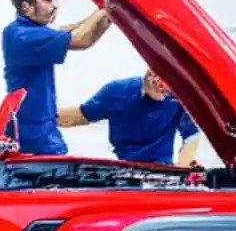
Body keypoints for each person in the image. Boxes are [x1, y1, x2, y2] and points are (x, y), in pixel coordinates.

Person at [1, 0, 112, 154]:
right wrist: (109, 6)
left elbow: (76, 31)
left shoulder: (31, 29)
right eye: (48, 0)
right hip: (34, 137)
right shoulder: (22, 36)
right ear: (27, 7)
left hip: (41, 129)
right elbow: (82, 39)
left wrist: (109, 15)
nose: (55, 5)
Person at [58, 70, 203, 166]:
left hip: (162, 168)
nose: (162, 87)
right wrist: (39, 117)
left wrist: (184, 167)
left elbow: (191, 136)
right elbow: (79, 115)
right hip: (123, 167)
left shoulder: (179, 98)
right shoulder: (117, 91)